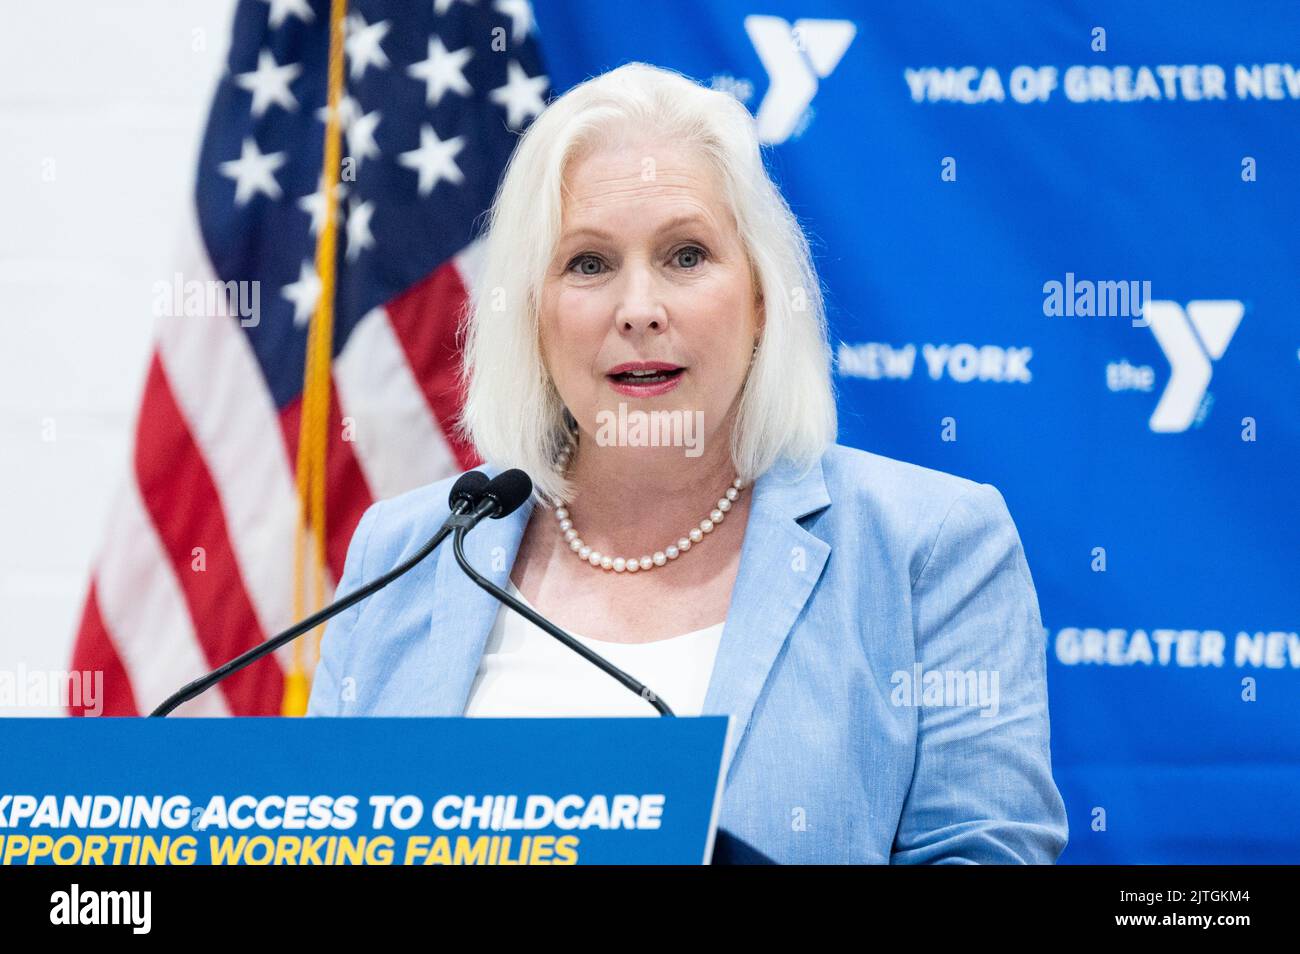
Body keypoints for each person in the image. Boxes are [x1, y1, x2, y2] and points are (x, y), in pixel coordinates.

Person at [308, 62, 1069, 864]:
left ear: (762, 300)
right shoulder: (405, 553)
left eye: (686, 255)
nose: (639, 310)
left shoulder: (930, 547)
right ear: (532, 313)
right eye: (589, 264)